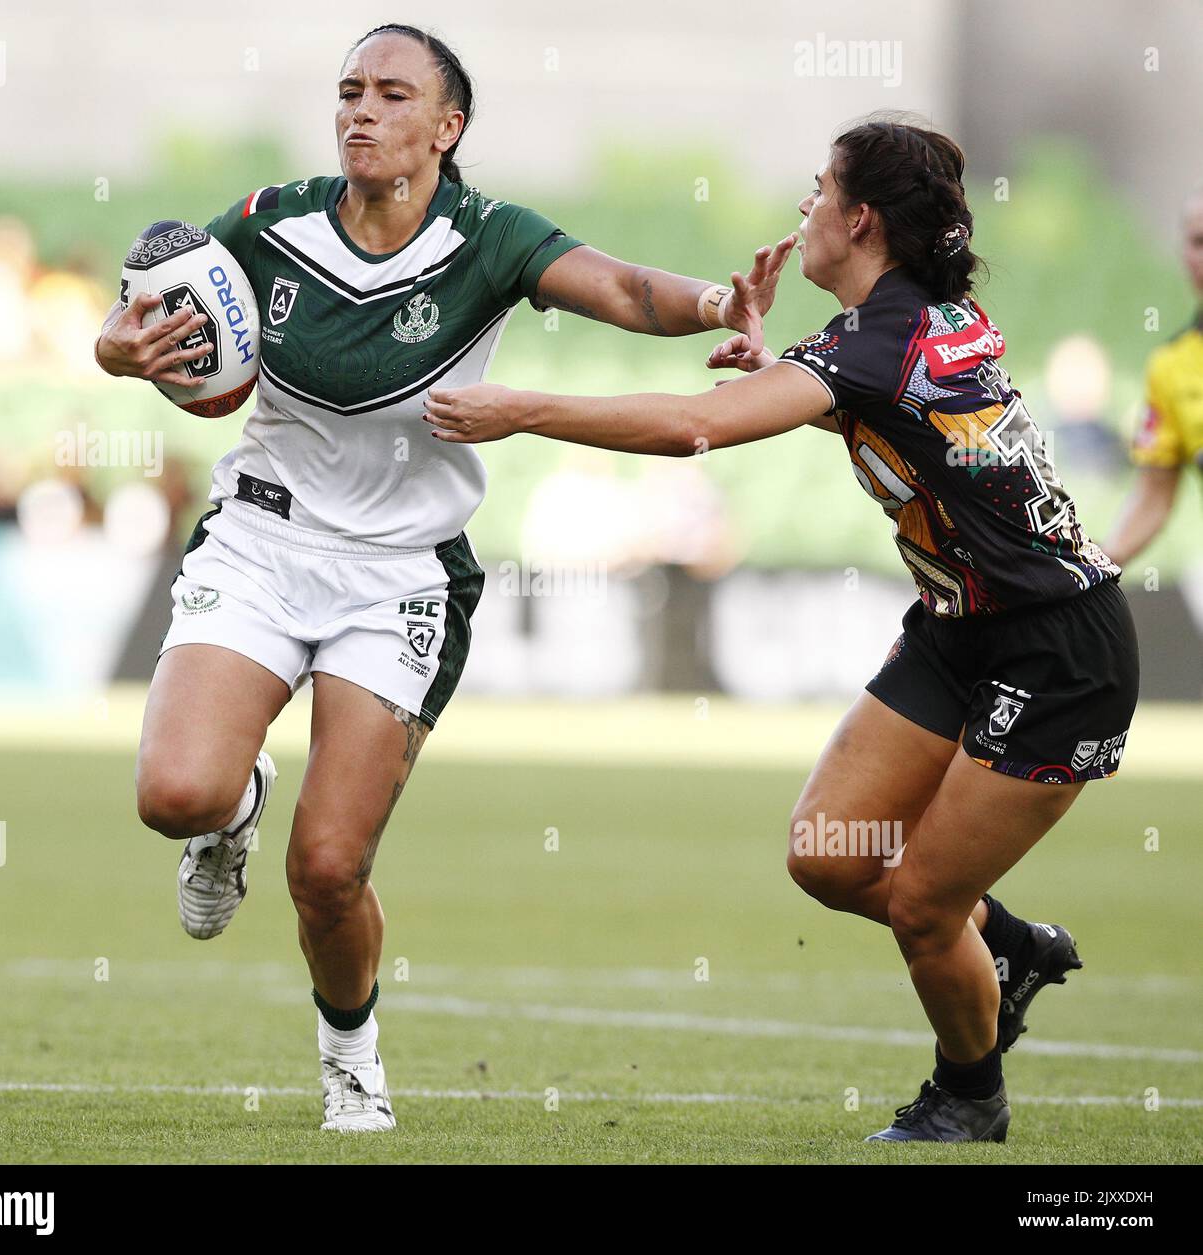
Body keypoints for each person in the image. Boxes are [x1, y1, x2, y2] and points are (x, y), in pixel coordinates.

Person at [94, 23, 788, 1132]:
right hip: (263, 543)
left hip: (399, 577)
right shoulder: (272, 220)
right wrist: (112, 352)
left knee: (327, 868)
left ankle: (350, 1062)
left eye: (390, 94)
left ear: (446, 127)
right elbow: (137, 317)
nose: (360, 111)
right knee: (171, 794)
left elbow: (618, 286)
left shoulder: (489, 237)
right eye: (348, 91)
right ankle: (228, 817)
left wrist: (721, 305)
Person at [423, 116, 1140, 1144]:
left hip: (1057, 649)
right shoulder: (911, 321)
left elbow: (692, 427)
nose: (802, 209)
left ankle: (968, 1095)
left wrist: (523, 407)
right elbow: (887, 402)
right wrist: (777, 364)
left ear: (859, 219)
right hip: (956, 628)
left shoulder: (878, 338)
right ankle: (1010, 945)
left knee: (922, 906)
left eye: (818, 190)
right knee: (829, 855)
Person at [1103, 183, 1203, 565]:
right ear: (1184, 254)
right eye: (1199, 241)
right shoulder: (1171, 366)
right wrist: (1097, 566)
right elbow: (1154, 493)